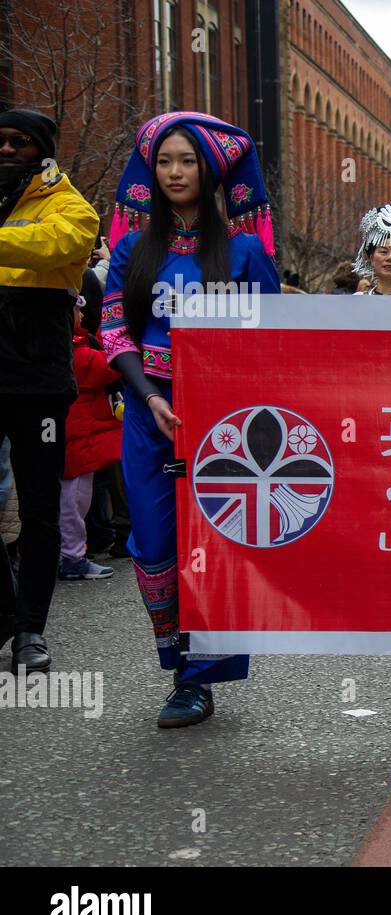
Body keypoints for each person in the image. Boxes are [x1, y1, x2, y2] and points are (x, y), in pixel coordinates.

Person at [100, 111, 280, 727]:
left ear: (209, 171)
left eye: (188, 161)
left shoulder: (245, 251)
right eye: (166, 162)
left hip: (224, 425)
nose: (176, 172)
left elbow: (272, 337)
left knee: (214, 545)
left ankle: (197, 680)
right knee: (153, 544)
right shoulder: (131, 248)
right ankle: (174, 655)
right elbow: (113, 328)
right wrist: (148, 395)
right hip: (150, 415)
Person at [0, 108, 99, 674]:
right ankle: (7, 611)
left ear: (42, 149)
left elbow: (53, 246)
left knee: (39, 509)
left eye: (21, 142)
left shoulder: (71, 205)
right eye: (2, 141)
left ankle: (29, 632)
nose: (10, 149)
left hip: (38, 379)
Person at [58, 291, 119, 581]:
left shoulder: (70, 347)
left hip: (72, 436)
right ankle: (72, 556)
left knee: (70, 498)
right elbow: (110, 366)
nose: (82, 315)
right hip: (80, 440)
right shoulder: (77, 352)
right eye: (78, 311)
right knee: (75, 500)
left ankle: (67, 552)